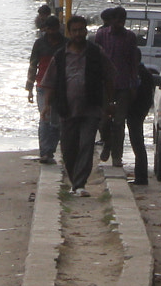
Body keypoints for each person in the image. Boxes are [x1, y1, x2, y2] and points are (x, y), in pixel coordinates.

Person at [41, 15, 110, 195]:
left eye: (81, 30)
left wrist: (109, 103)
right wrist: (47, 105)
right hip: (67, 109)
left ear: (86, 31)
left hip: (91, 108)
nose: (78, 34)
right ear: (69, 33)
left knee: (87, 145)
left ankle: (79, 184)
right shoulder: (60, 56)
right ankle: (75, 181)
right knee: (68, 148)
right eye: (75, 30)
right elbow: (50, 82)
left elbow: (110, 77)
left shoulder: (97, 53)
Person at [92, 6, 142, 169]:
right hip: (104, 86)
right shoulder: (101, 35)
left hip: (123, 86)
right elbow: (96, 60)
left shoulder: (130, 37)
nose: (119, 23)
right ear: (111, 20)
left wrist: (133, 85)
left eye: (122, 21)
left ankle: (117, 157)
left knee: (119, 123)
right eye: (116, 20)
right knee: (103, 121)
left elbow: (133, 62)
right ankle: (107, 144)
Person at [28, 16, 66, 165]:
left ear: (58, 28)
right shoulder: (39, 44)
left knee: (57, 120)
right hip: (43, 87)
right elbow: (33, 65)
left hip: (61, 87)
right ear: (45, 29)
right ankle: (45, 152)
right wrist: (29, 88)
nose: (51, 32)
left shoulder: (65, 44)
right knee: (45, 119)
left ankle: (51, 151)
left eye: (54, 28)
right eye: (48, 29)